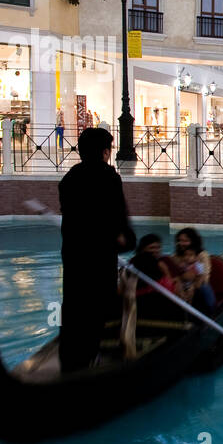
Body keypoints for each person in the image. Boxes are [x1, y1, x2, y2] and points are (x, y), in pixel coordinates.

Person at [58, 127, 135, 371]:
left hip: (72, 255)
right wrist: (126, 239)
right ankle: (91, 357)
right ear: (104, 151)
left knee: (72, 304)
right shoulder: (109, 177)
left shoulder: (68, 179)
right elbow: (117, 218)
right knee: (98, 305)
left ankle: (68, 358)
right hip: (99, 256)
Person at [129, 234, 180, 321]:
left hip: (160, 295)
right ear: (143, 249)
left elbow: (175, 280)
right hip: (155, 299)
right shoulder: (135, 263)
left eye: (158, 247)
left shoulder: (166, 260)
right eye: (152, 248)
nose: (156, 250)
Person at [172, 227, 216, 311]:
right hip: (182, 287)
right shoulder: (175, 256)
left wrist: (191, 288)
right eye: (180, 240)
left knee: (203, 287)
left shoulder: (202, 255)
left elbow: (204, 277)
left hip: (198, 286)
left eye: (185, 241)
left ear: (193, 241)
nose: (181, 243)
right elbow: (174, 275)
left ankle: (208, 311)